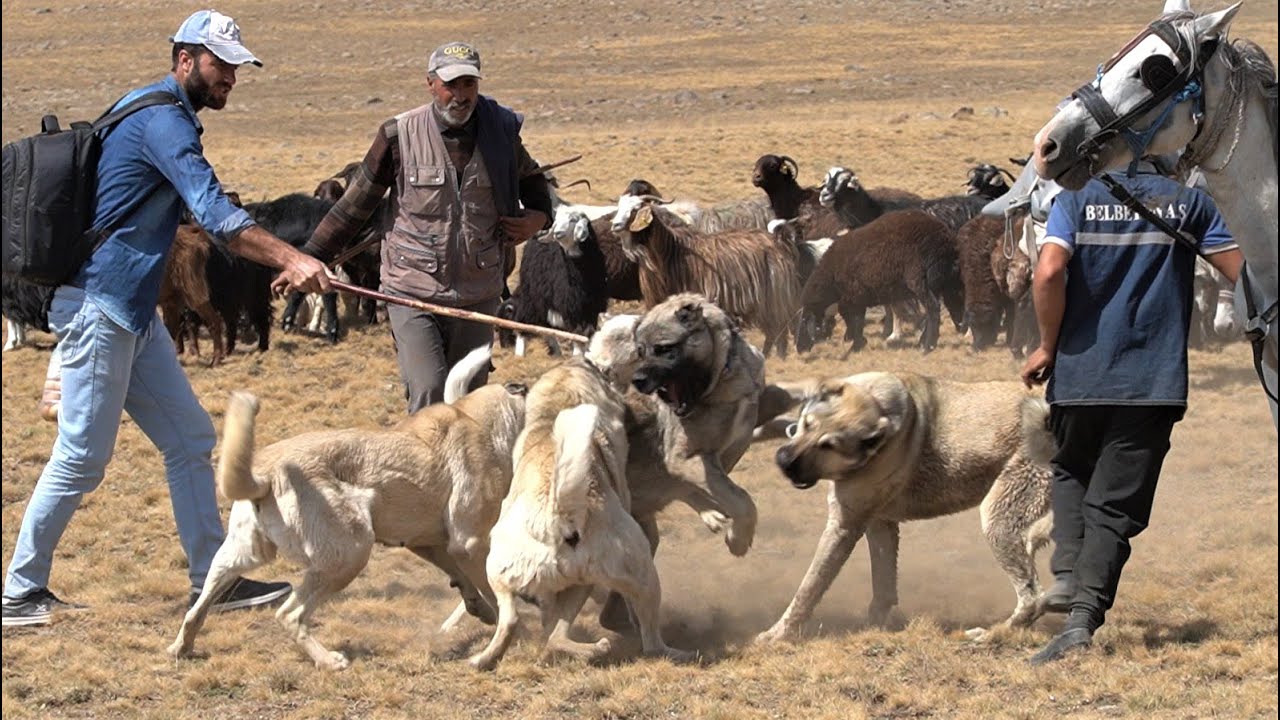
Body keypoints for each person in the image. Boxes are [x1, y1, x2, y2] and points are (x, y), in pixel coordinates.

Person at [1, 10, 332, 628]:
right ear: (185, 60)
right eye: (220, 64)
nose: (230, 76)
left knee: (189, 439)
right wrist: (293, 256)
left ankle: (213, 580)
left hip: (130, 308)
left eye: (236, 67)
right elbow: (216, 215)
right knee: (80, 457)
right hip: (102, 306)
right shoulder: (163, 121)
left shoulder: (151, 108)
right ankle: (18, 594)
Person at [1019, 159, 1242, 664]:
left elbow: (1049, 270)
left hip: (1079, 377)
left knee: (1072, 469)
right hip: (1151, 381)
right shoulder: (1189, 204)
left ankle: (1068, 576)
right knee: (1115, 505)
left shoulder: (1071, 200)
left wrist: (1047, 346)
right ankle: (1081, 619)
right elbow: (1244, 275)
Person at [303, 41, 553, 413]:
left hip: (478, 289)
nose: (461, 95)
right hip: (412, 289)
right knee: (430, 391)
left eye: (469, 84)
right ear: (431, 83)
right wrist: (305, 258)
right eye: (451, 85)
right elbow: (353, 207)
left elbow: (536, 190)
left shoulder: (501, 134)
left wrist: (537, 219)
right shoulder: (398, 136)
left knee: (470, 401)